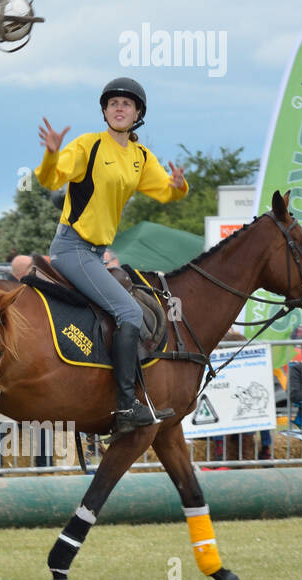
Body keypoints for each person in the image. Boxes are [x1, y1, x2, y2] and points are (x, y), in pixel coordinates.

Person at [35, 77, 188, 434]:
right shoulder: (87, 145)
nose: (119, 108)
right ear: (104, 111)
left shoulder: (140, 157)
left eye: (127, 104)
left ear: (138, 115)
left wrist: (180, 187)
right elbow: (49, 180)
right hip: (73, 248)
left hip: (97, 253)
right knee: (129, 311)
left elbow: (166, 193)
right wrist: (52, 152)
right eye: (113, 103)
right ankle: (125, 405)